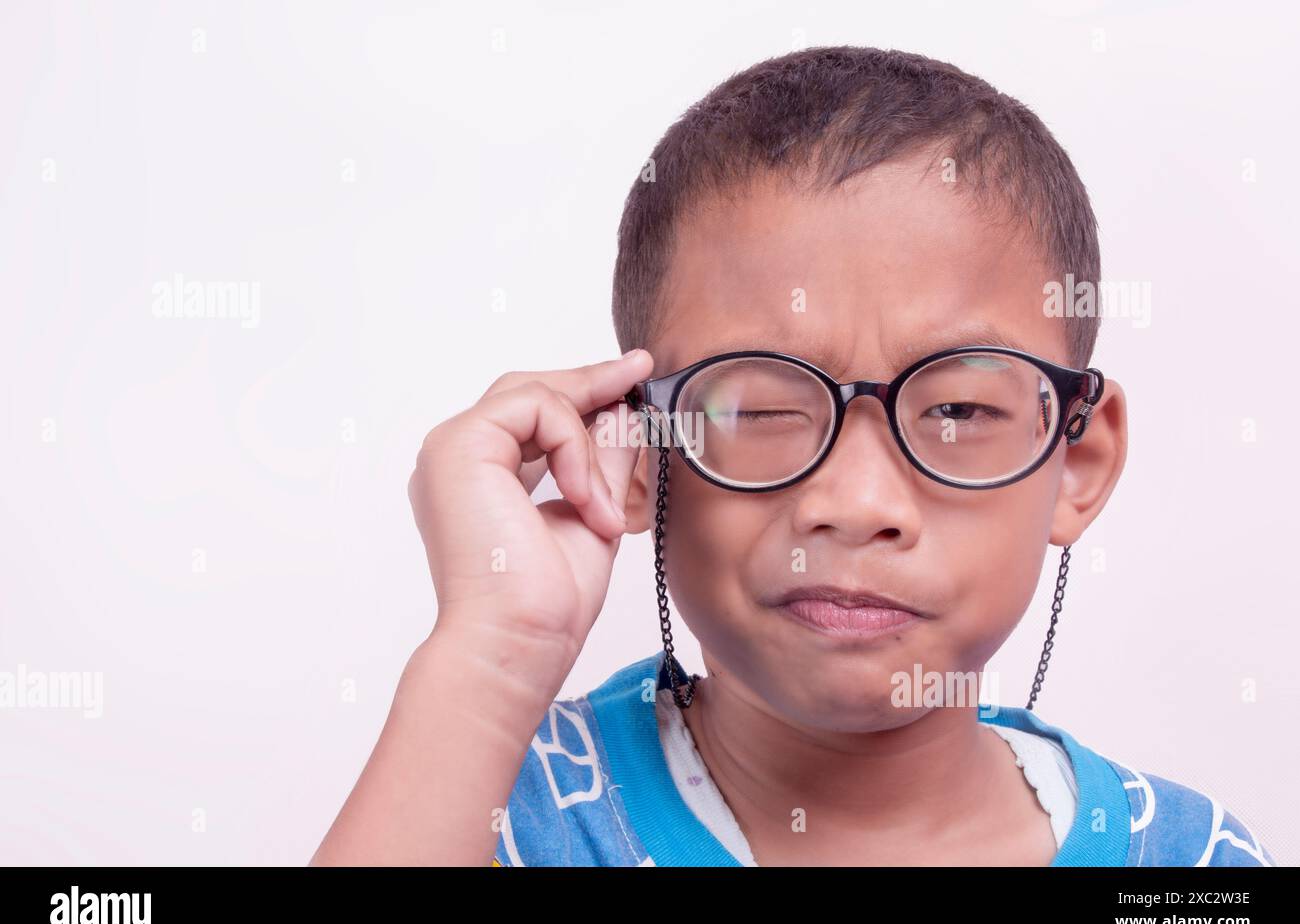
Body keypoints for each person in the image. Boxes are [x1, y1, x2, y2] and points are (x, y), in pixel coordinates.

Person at [311, 46, 1276, 867]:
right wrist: (491, 655)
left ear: (1076, 460)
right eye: (764, 407)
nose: (854, 503)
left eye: (959, 407)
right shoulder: (492, 812)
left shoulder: (1188, 863)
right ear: (640, 447)